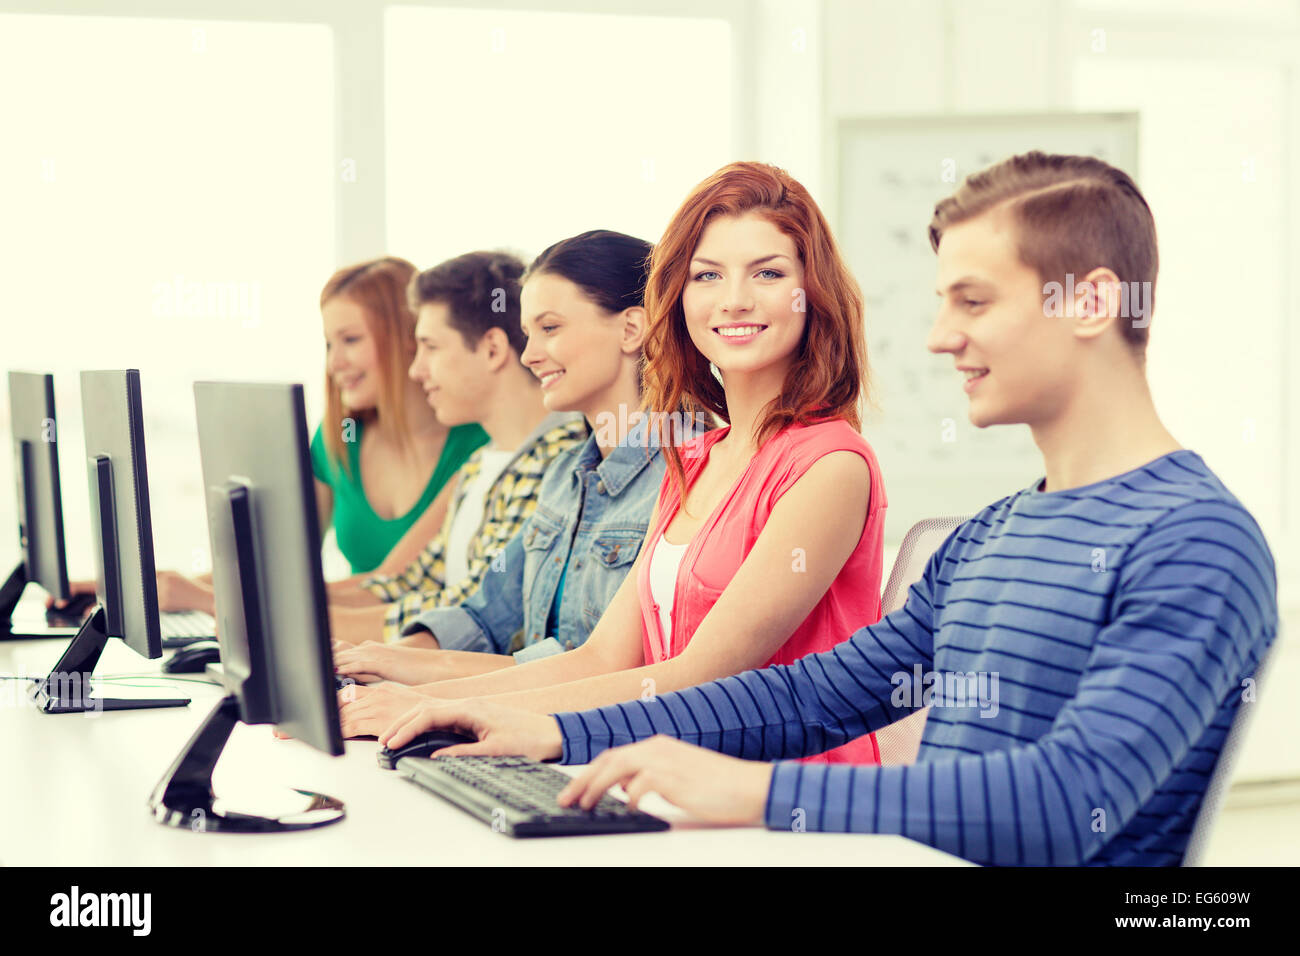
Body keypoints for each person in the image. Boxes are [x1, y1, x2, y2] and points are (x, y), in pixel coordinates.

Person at [381, 152, 1277, 866]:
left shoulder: (1195, 540)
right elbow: (814, 696)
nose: (939, 336)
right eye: (940, 301)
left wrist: (756, 794)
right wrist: (553, 730)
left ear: (1091, 302)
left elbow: (1064, 800)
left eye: (973, 300)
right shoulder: (991, 536)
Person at [347, 162, 890, 765]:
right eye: (707, 275)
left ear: (809, 292)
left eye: (768, 272)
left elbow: (700, 677)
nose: (734, 299)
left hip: (780, 807)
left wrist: (473, 713)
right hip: (662, 778)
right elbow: (599, 658)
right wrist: (425, 701)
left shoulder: (830, 466)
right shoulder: (696, 460)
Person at [51, 256, 488, 616]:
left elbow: (388, 585)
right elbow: (272, 565)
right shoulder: (340, 439)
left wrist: (205, 601)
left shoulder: (478, 447)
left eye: (350, 340)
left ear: (406, 338)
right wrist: (136, 586)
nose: (335, 363)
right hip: (348, 646)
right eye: (328, 345)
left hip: (394, 646)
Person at [332, 230, 669, 694]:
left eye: (549, 329)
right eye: (529, 334)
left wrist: (414, 684)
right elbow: (482, 615)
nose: (528, 355)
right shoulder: (566, 477)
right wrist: (379, 659)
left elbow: (592, 666)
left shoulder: (682, 479)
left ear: (632, 330)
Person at [328, 250, 588, 645]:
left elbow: (468, 610)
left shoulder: (556, 463)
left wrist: (309, 625)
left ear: (492, 350)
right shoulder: (480, 463)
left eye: (430, 347)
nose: (416, 371)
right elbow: (410, 583)